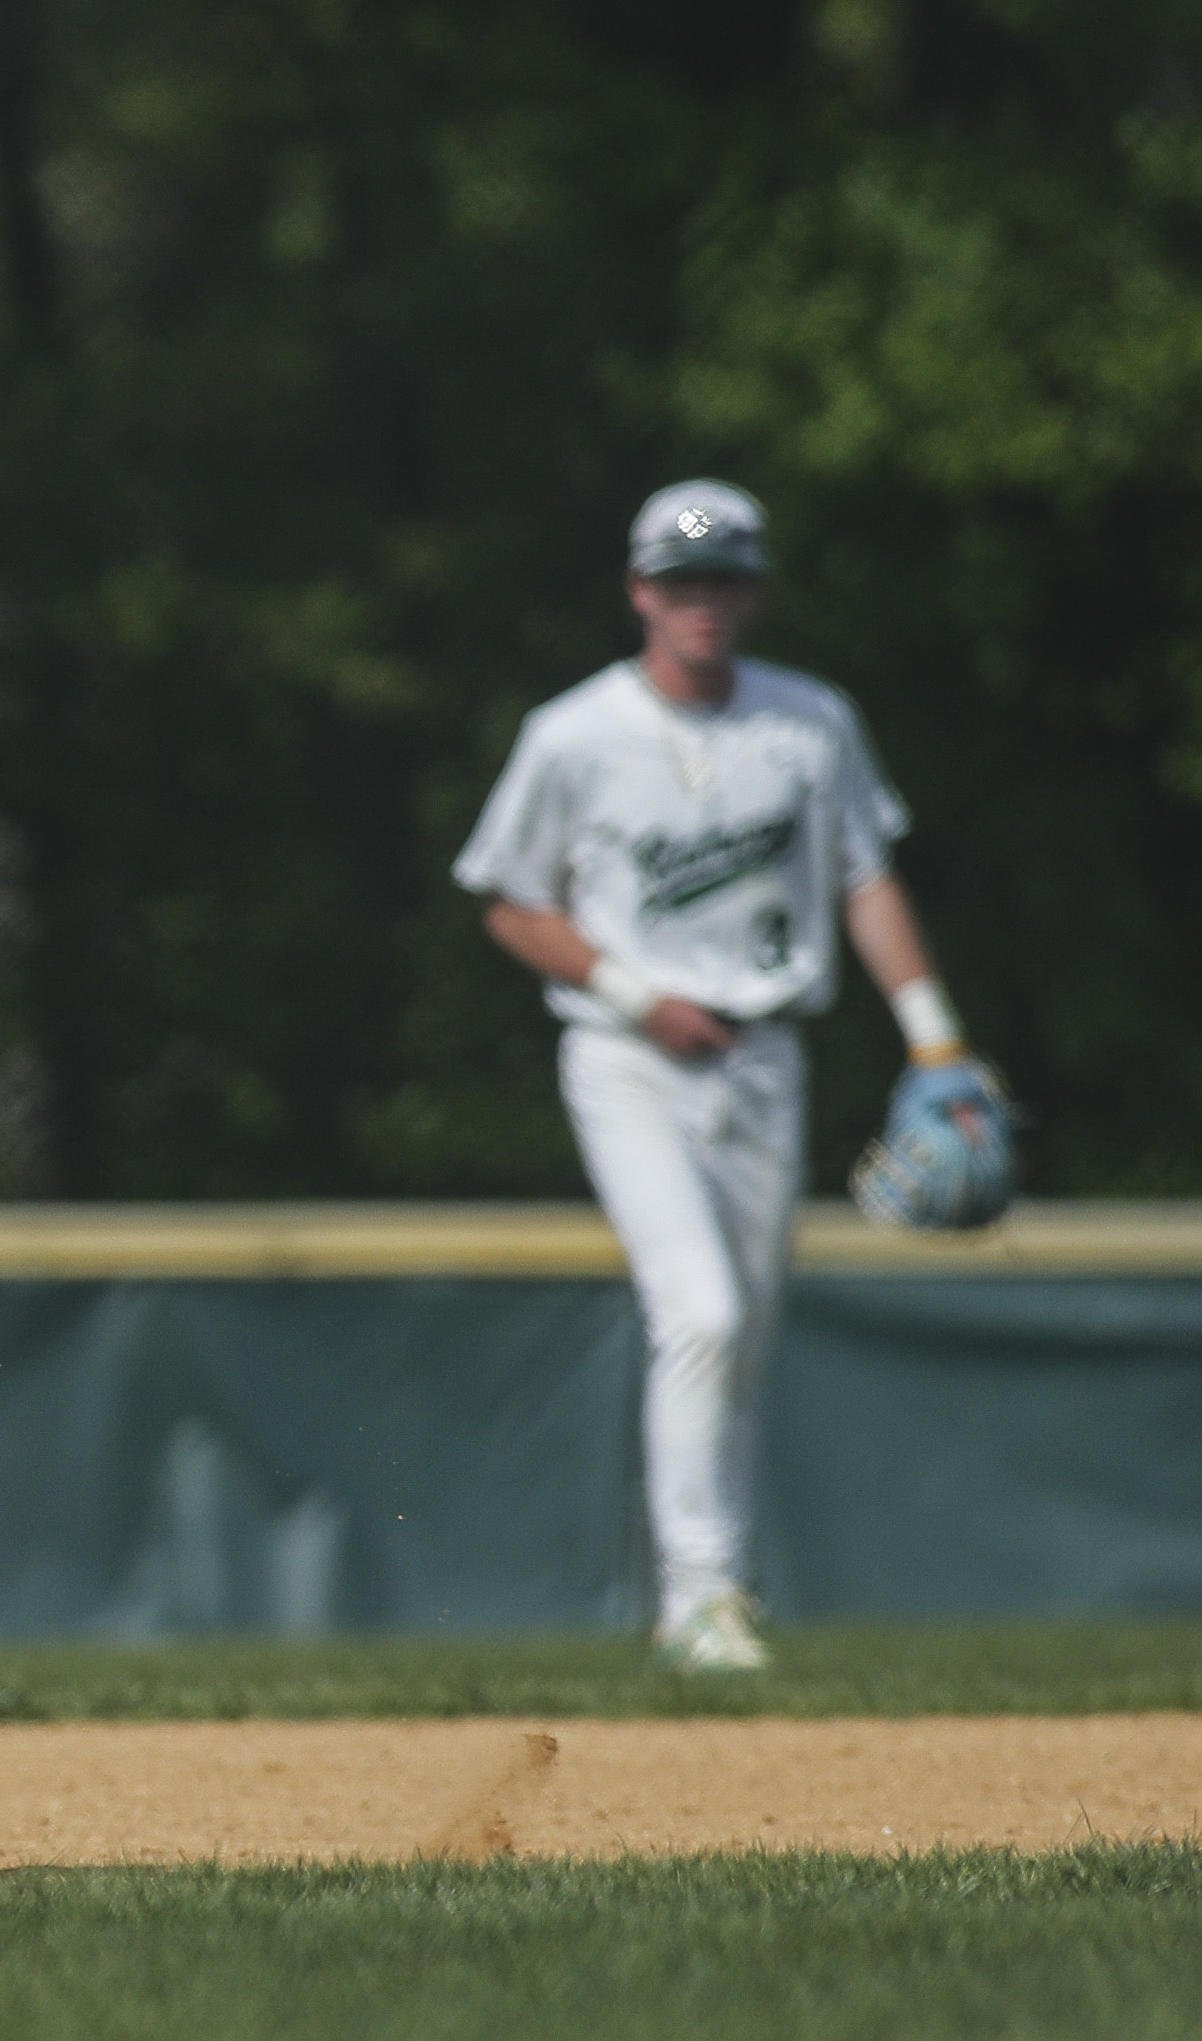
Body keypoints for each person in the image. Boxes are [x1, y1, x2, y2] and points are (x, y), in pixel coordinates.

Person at [452, 480, 977, 1675]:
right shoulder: (574, 733)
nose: (703, 600)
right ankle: (696, 1596)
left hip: (764, 1054)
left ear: (753, 588)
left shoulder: (807, 722)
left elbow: (864, 879)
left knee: (742, 1335)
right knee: (701, 1309)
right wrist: (640, 995)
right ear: (640, 590)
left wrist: (935, 1038)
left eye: (724, 577)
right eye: (681, 579)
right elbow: (508, 902)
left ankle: (715, 1592)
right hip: (628, 1055)